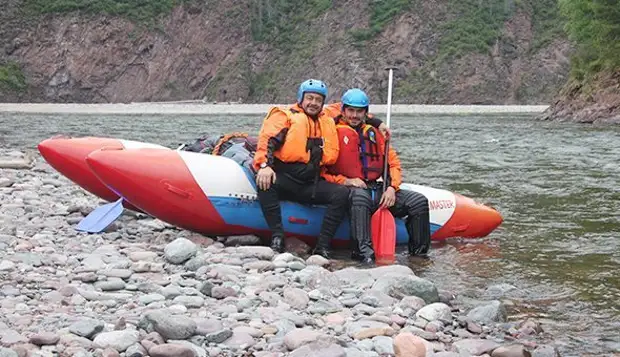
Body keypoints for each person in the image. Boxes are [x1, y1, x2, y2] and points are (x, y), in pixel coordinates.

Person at [323, 88, 431, 264]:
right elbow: (323, 173)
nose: (354, 116)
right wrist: (346, 181)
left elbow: (393, 164)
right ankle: (363, 255)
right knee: (359, 199)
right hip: (349, 189)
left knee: (418, 202)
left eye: (359, 111)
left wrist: (391, 188)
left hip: (376, 188)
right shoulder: (331, 131)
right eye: (350, 110)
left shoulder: (376, 134)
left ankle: (419, 256)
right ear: (343, 111)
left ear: (366, 113)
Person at [252, 79, 350, 258]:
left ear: (322, 103)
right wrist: (264, 165)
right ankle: (277, 236)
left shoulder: (327, 119)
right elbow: (267, 142)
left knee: (342, 193)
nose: (313, 103)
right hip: (286, 178)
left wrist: (377, 123)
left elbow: (352, 112)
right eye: (309, 98)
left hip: (310, 184)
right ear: (301, 98)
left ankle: (322, 246)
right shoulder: (285, 117)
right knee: (264, 183)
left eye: (318, 100)